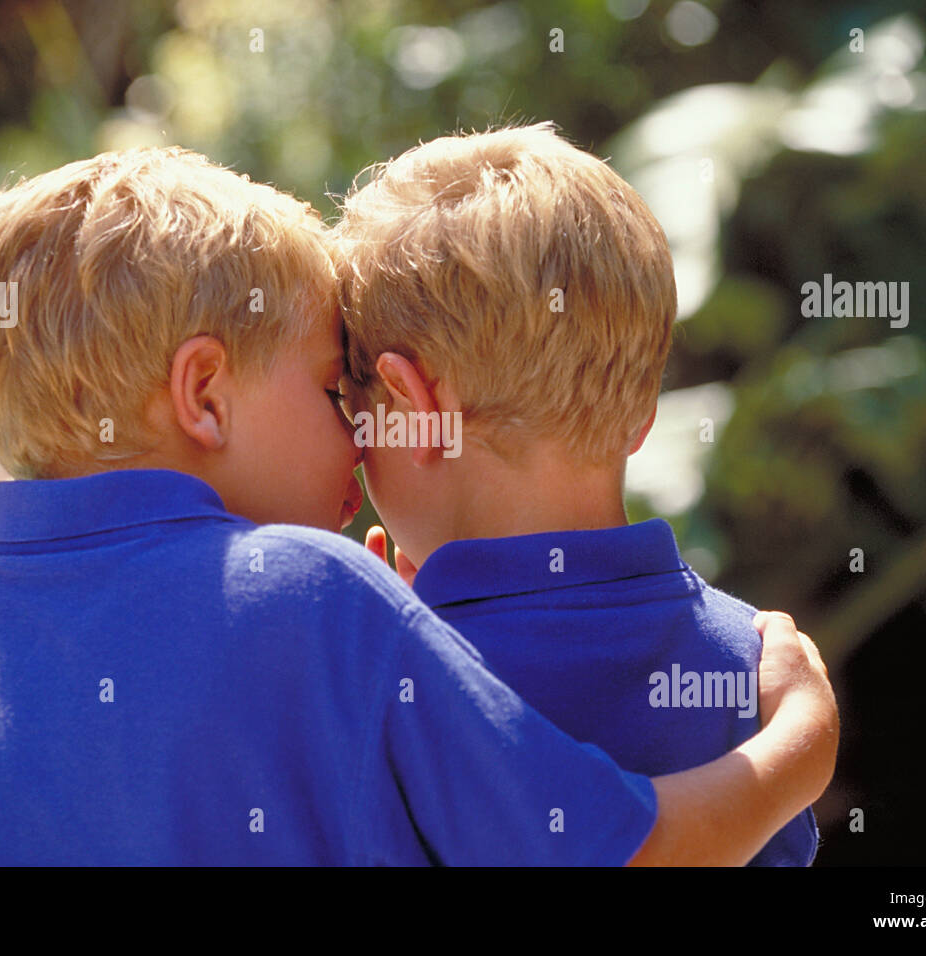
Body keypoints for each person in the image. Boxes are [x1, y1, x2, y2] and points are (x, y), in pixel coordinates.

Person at [0, 146, 837, 865]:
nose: (351, 432)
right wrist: (800, 737)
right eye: (334, 385)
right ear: (204, 394)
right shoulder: (315, 595)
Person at [335, 123, 817, 863]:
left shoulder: (376, 680)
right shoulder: (751, 663)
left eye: (349, 401)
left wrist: (417, 627)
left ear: (409, 407)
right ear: (643, 414)